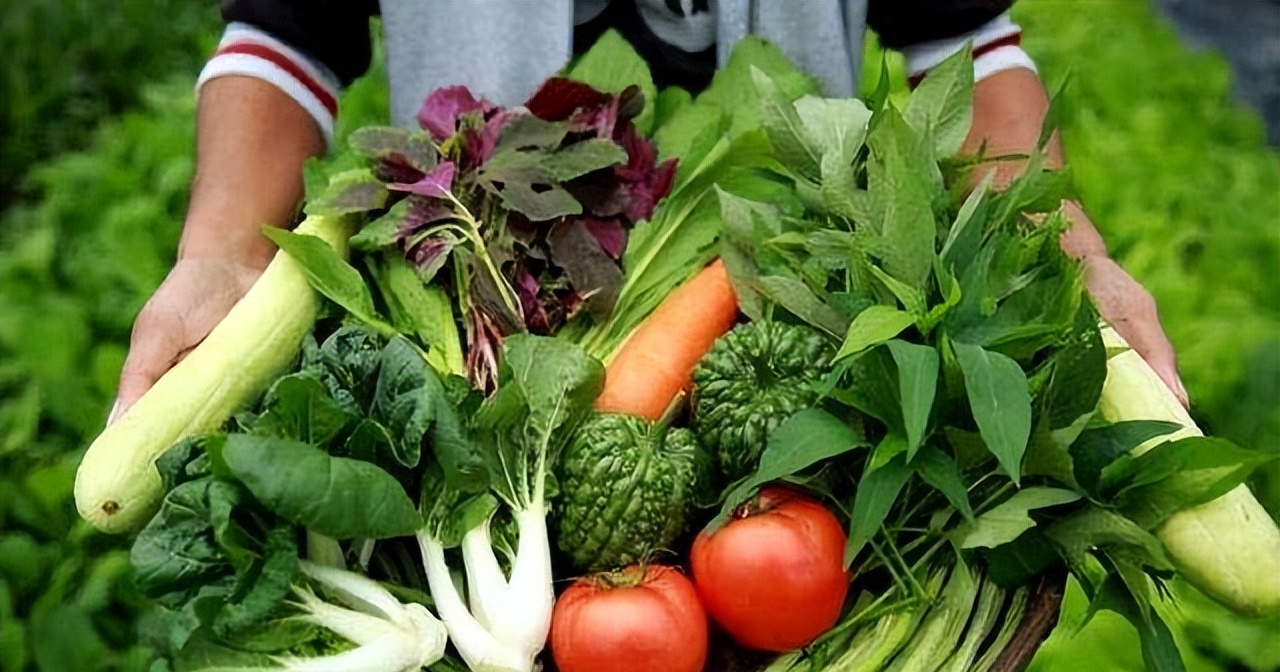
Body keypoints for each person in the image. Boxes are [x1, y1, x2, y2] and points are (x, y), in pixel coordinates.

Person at [110, 0, 1187, 423]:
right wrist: (224, 254)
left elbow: (961, 37)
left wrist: (1061, 243)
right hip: (486, 327)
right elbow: (288, 34)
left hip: (799, 328)